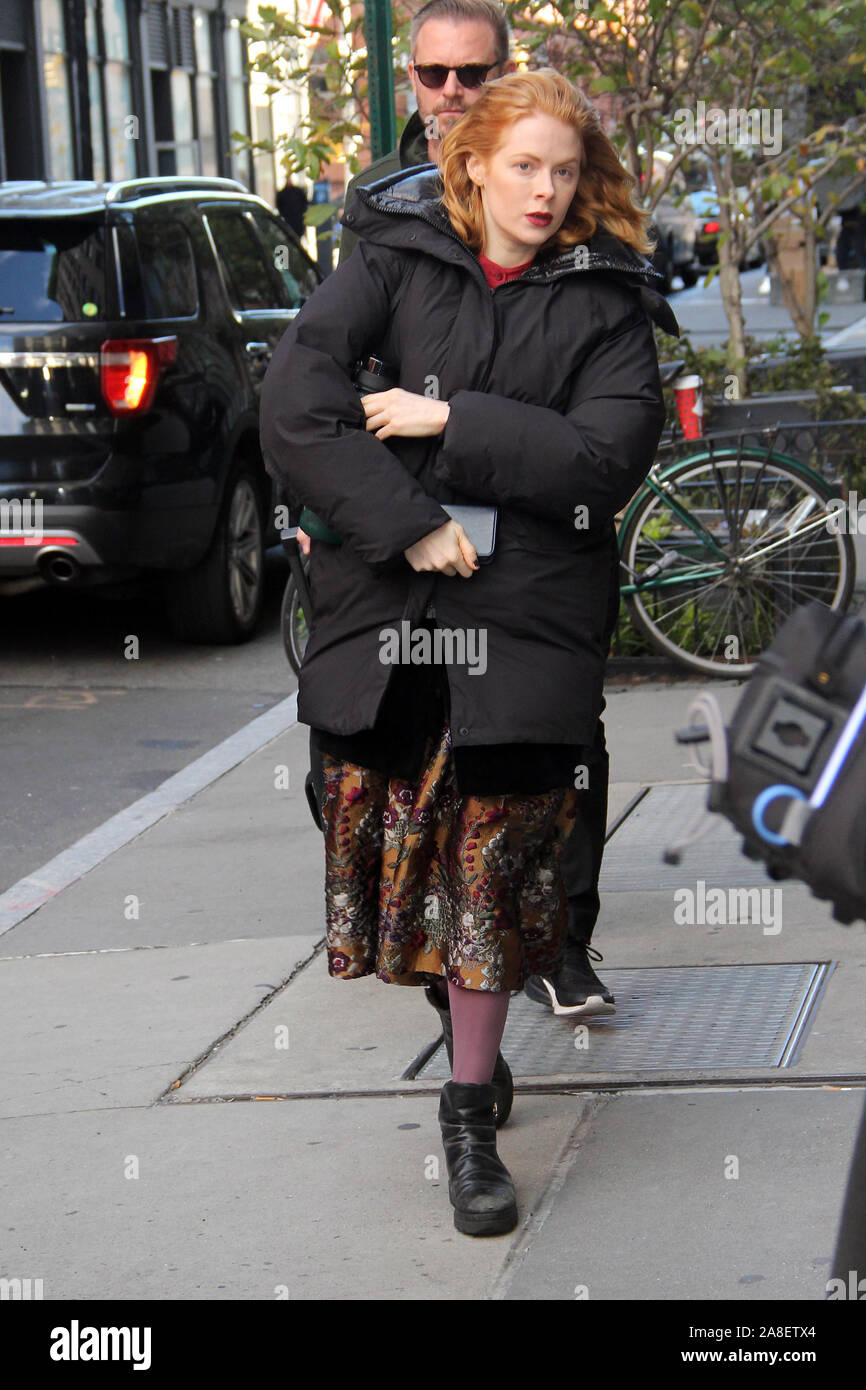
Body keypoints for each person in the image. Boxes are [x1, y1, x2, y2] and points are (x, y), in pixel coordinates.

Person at [261, 68, 678, 1237]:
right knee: (400, 879)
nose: (543, 190)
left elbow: (601, 461)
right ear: (474, 164)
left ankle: (463, 1113)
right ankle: (466, 1041)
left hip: (529, 622)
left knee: (490, 874)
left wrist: (444, 420)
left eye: (563, 169)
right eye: (523, 165)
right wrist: (413, 521)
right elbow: (298, 409)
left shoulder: (604, 300)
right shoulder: (388, 261)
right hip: (385, 615)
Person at [306, 0, 632, 1025]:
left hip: (529, 568)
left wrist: (448, 417)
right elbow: (316, 384)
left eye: (471, 74)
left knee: (543, 752)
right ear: (409, 81)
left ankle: (557, 945)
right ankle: (455, 997)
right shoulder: (381, 213)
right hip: (393, 544)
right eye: (432, 76)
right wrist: (360, 498)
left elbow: (595, 448)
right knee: (372, 757)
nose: (450, 94)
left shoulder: (578, 245)